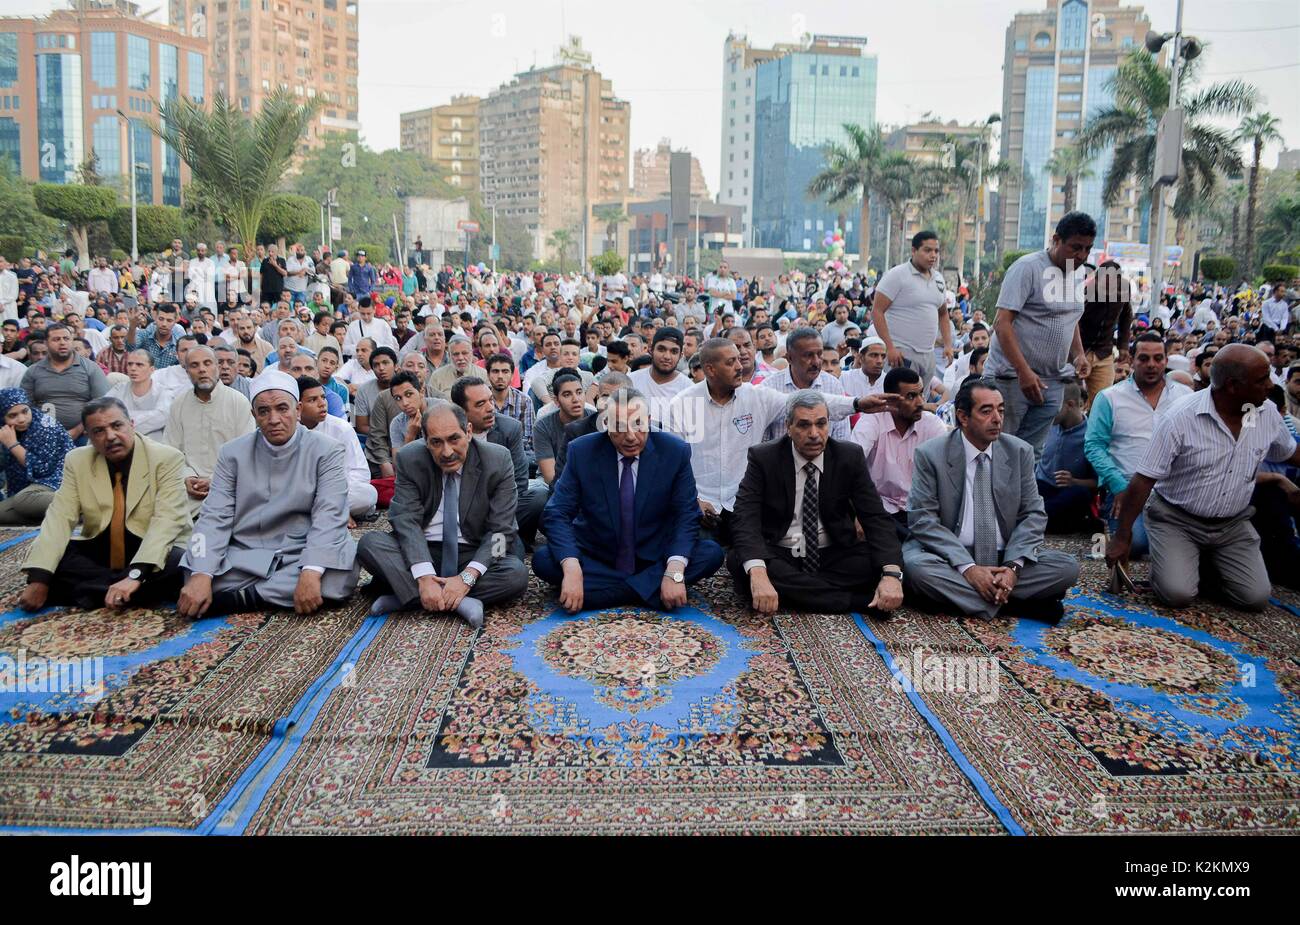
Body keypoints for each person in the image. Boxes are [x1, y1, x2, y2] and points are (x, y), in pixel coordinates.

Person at [1107, 344, 1300, 611]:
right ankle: (1179, 564)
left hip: (1232, 524)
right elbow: (1144, 479)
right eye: (1261, 380)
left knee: (1254, 599)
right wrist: (1122, 536)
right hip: (1176, 519)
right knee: (1177, 594)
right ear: (1232, 386)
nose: (1270, 385)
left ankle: (1204, 564)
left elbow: (1291, 453)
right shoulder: (1181, 417)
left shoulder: (1265, 413)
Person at [667, 338, 891, 543]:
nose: (739, 366)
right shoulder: (683, 404)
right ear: (710, 369)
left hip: (745, 504)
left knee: (758, 554)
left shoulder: (756, 397)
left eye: (738, 360)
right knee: (697, 555)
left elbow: (805, 403)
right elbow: (673, 464)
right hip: (700, 506)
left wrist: (856, 404)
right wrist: (694, 500)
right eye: (730, 362)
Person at [178, 371, 360, 618]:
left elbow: (329, 515)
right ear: (254, 415)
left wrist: (311, 571)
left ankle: (246, 597)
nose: (274, 419)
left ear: (297, 410)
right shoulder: (232, 454)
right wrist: (201, 574)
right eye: (264, 411)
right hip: (246, 551)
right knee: (195, 568)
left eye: (282, 409)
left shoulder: (326, 450)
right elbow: (214, 515)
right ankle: (272, 593)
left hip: (302, 548)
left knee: (340, 571)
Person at [903, 378, 1081, 622]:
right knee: (917, 569)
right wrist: (968, 568)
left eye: (1001, 410)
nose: (997, 419)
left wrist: (1013, 568)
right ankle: (1018, 605)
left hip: (1004, 555)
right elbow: (922, 519)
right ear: (963, 417)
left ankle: (970, 599)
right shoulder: (931, 454)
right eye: (986, 411)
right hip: (951, 557)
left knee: (1067, 567)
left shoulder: (1019, 451)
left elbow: (1033, 514)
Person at [535, 388, 724, 611]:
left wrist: (674, 571)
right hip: (599, 555)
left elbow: (687, 515)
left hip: (655, 557)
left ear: (649, 421)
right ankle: (647, 592)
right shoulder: (582, 451)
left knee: (711, 553)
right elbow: (557, 512)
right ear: (606, 424)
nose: (631, 436)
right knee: (544, 560)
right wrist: (572, 568)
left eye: (638, 424)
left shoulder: (674, 451)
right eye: (620, 427)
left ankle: (599, 595)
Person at [728, 390, 904, 616]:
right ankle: (851, 601)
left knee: (884, 563)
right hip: (782, 552)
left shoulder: (848, 456)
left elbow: (875, 517)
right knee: (741, 562)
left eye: (821, 424)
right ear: (788, 427)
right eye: (804, 425)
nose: (814, 434)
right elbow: (745, 517)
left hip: (832, 553)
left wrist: (891, 575)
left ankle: (798, 593)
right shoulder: (764, 457)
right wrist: (759, 574)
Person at [357, 400, 528, 629]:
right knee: (369, 544)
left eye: (454, 439)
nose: (447, 452)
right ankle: (454, 600)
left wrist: (468, 577)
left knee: (516, 574)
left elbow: (502, 529)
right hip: (423, 549)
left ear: (468, 432)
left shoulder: (498, 459)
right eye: (436, 442)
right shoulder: (410, 458)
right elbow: (405, 520)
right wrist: (424, 575)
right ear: (425, 440)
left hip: (473, 549)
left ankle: (408, 596)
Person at [18, 397, 190, 611]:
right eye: (98, 431)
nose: (110, 436)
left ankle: (98, 591)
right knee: (48, 561)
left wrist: (135, 574)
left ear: (131, 424)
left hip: (153, 547)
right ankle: (129, 592)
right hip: (103, 547)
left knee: (179, 563)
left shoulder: (166, 458)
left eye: (117, 426)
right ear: (88, 436)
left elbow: (167, 521)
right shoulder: (77, 460)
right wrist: (40, 579)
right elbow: (59, 517)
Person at [984, 211, 1097, 460]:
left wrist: (1078, 355)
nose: (1081, 255)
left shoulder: (1077, 273)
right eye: (1075, 247)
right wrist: (1023, 371)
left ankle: (1022, 489)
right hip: (1011, 379)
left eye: (1087, 249)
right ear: (1056, 240)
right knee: (998, 449)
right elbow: (1002, 324)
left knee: (1031, 454)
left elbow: (1070, 319)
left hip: (1053, 381)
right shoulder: (1027, 268)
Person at [1085, 332, 1192, 559]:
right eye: (1144, 358)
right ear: (1131, 360)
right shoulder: (1110, 398)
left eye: (1158, 358)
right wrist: (1118, 485)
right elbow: (1094, 446)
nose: (1151, 364)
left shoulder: (1185, 397)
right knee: (1136, 544)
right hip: (1127, 489)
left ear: (1166, 360)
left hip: (1175, 492)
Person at [848, 367, 947, 541]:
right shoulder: (871, 421)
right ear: (891, 400)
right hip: (879, 510)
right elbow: (850, 468)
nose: (920, 402)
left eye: (921, 394)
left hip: (921, 511)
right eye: (911, 396)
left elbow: (948, 471)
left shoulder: (931, 424)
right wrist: (857, 514)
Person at [452, 376, 547, 549]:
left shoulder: (510, 428)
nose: (491, 408)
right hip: (462, 509)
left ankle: (515, 536)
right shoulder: (450, 433)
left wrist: (497, 513)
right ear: (461, 410)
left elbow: (519, 481)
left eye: (490, 400)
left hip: (501, 508)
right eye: (480, 404)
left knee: (539, 497)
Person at [164, 346, 255, 514]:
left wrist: (213, 481)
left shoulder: (238, 402)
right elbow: (171, 452)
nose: (202, 369)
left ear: (217, 367)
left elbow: (246, 455)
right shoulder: (179, 404)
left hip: (229, 490)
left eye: (207, 363)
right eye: (194, 365)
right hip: (186, 492)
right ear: (187, 371)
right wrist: (187, 477)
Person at [871, 232, 954, 385]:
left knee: (921, 398)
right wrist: (890, 347)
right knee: (899, 397)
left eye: (936, 251)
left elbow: (943, 314)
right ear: (914, 251)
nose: (933, 255)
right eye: (927, 250)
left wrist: (948, 345)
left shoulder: (938, 279)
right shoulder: (897, 275)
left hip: (929, 353)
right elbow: (877, 311)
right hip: (902, 352)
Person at [298, 375, 377, 522]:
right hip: (304, 493)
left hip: (338, 491)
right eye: (313, 400)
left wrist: (335, 496)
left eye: (323, 397)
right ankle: (336, 512)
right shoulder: (290, 431)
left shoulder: (341, 428)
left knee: (368, 494)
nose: (322, 404)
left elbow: (360, 472)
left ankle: (325, 511)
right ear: (298, 407)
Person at [760, 327, 856, 441]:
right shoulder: (769, 387)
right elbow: (763, 442)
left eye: (819, 354)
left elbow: (841, 438)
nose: (816, 362)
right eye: (808, 355)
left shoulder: (833, 386)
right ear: (789, 358)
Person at [20, 323, 110, 441]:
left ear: (72, 341)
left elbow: (102, 403)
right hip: (42, 434)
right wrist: (40, 430)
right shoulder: (33, 371)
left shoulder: (90, 368)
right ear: (46, 344)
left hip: (85, 433)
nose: (62, 342)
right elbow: (25, 406)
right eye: (56, 339)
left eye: (66, 338)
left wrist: (77, 430)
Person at [0, 388, 74, 524]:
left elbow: (42, 470)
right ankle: (61, 515)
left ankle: (83, 505)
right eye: (13, 416)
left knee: (23, 500)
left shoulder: (45, 426)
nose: (22, 419)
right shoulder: (4, 430)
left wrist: (13, 445)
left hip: (58, 480)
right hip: (31, 489)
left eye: (25, 411)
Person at [1033, 379, 1098, 532]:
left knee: (1079, 494)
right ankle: (1039, 520)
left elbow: (1099, 482)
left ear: (1069, 405)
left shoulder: (1091, 436)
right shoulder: (1046, 427)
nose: (1047, 411)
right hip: (1042, 488)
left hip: (1068, 493)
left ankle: (1033, 519)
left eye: (1052, 406)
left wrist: (1074, 481)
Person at [1079, 260, 1132, 408]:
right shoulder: (1085, 292)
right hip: (1078, 351)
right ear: (1096, 280)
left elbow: (1126, 316)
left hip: (1104, 352)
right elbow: (1073, 321)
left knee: (1102, 402)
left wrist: (1123, 345)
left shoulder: (1123, 291)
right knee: (1073, 398)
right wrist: (1077, 353)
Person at [534, 369, 589, 486]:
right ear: (556, 401)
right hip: (554, 483)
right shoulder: (543, 425)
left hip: (590, 481)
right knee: (537, 493)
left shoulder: (596, 420)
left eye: (579, 392)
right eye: (567, 395)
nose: (576, 399)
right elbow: (550, 477)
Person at [627, 326, 691, 424]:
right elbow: (618, 425)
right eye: (661, 349)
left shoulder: (688, 389)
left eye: (674, 352)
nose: (667, 356)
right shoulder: (630, 381)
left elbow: (695, 431)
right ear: (651, 350)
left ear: (681, 355)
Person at [108, 349, 171, 439]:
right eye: (130, 364)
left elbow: (162, 417)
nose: (133, 368)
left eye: (139, 365)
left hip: (152, 442)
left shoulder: (163, 392)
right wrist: (149, 415)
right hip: (119, 439)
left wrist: (120, 420)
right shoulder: (118, 389)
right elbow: (104, 412)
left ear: (152, 369)